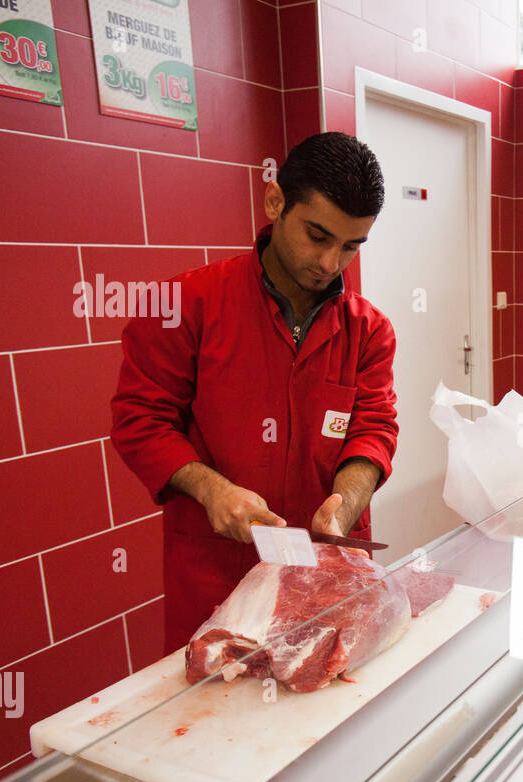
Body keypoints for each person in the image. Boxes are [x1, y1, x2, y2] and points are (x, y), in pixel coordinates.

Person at [112, 133, 398, 656]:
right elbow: (141, 421)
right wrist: (212, 490)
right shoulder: (184, 307)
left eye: (351, 246)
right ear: (274, 202)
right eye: (318, 235)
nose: (331, 262)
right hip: (217, 580)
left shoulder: (368, 330)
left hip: (324, 577)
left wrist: (346, 502)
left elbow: (372, 428)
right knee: (222, 719)